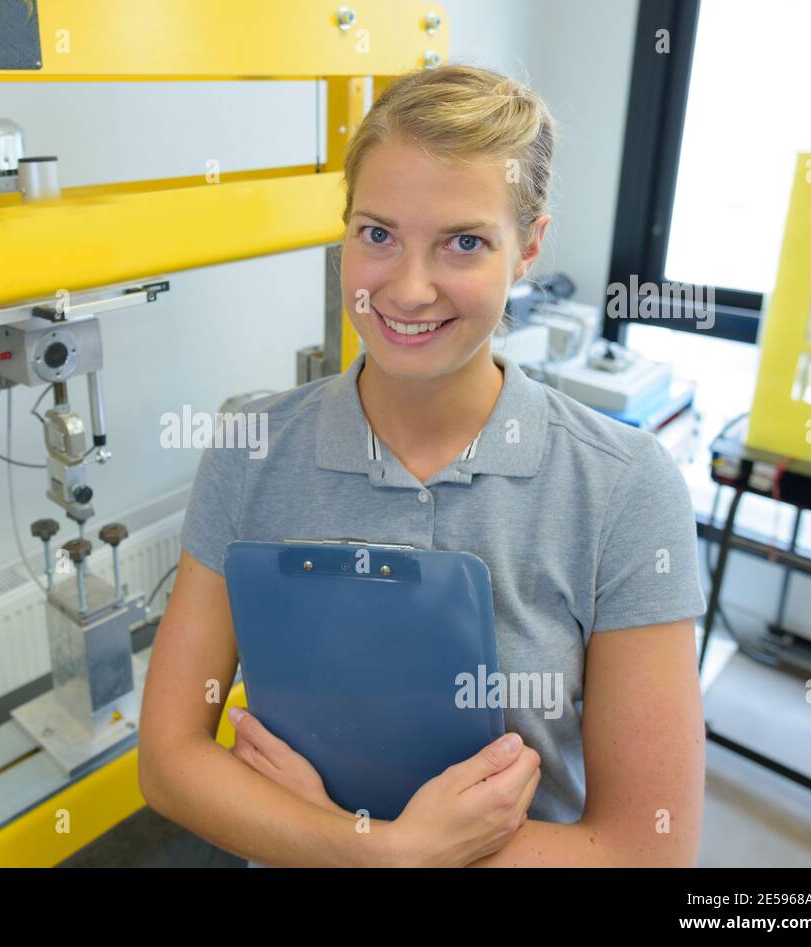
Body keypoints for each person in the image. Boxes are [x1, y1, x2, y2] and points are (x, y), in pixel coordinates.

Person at [137, 64, 707, 867]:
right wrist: (383, 853)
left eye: (464, 242)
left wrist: (350, 844)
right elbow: (168, 759)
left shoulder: (622, 487)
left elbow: (646, 849)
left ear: (528, 249)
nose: (407, 289)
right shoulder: (249, 449)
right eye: (378, 234)